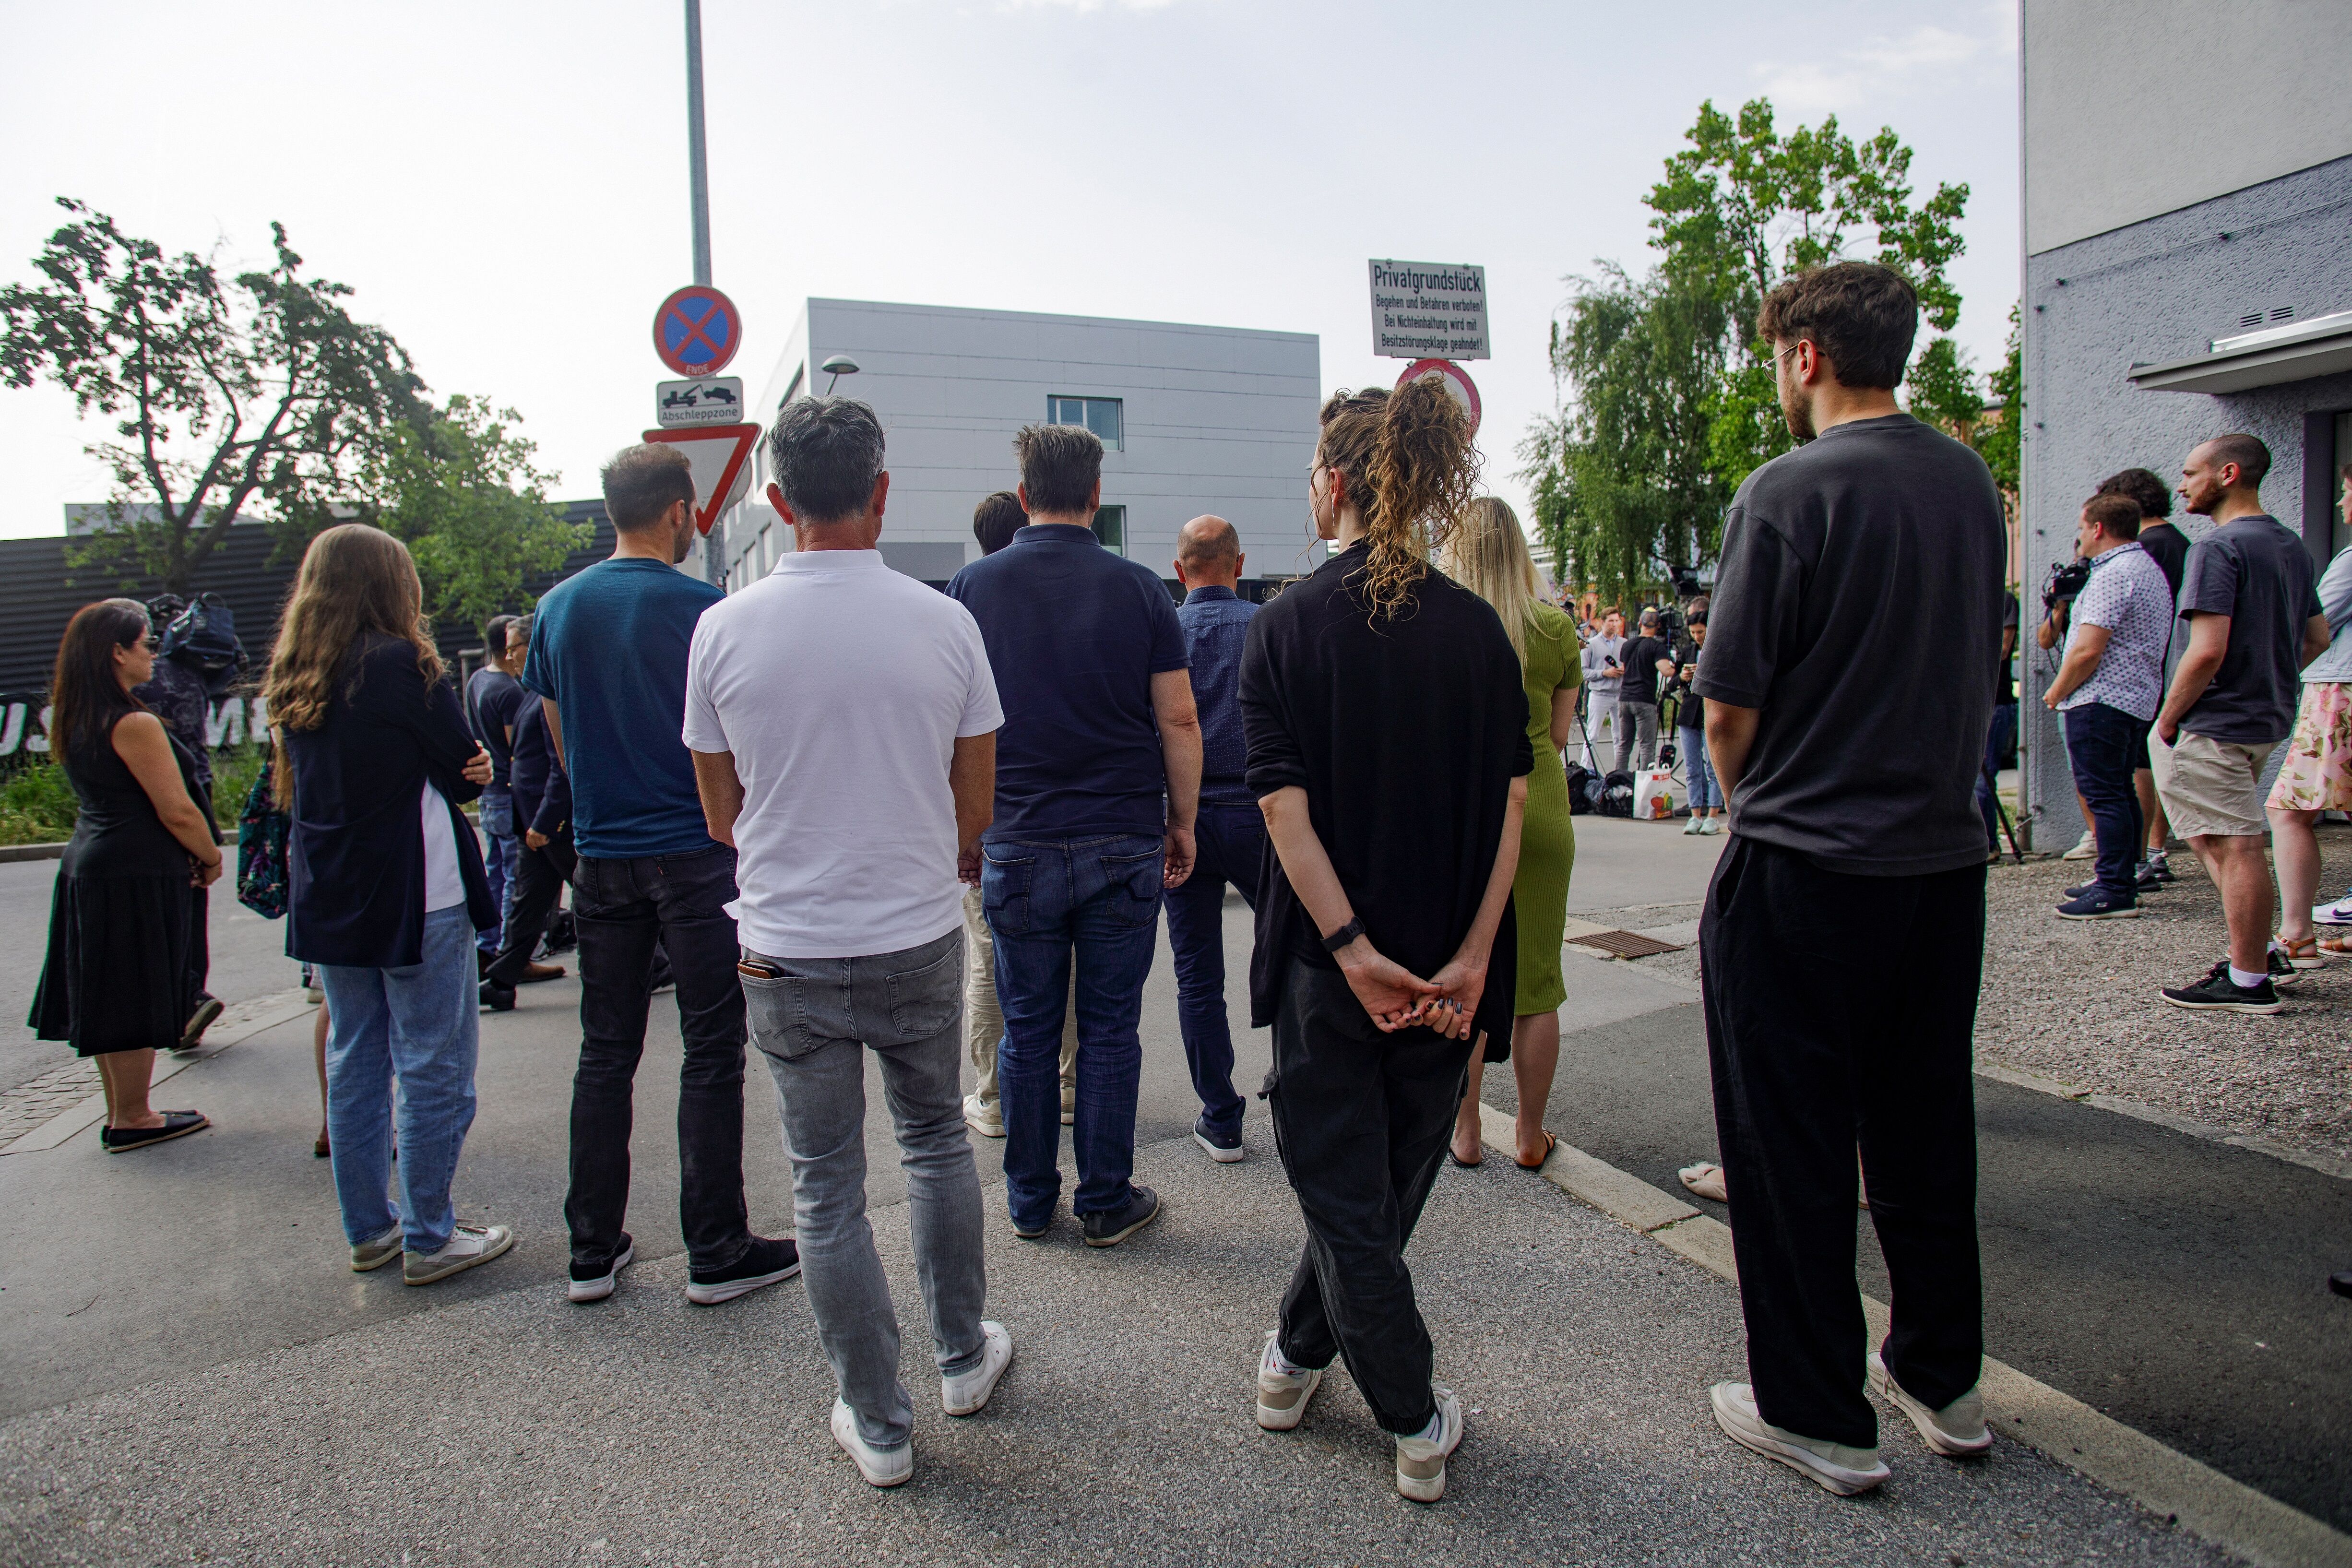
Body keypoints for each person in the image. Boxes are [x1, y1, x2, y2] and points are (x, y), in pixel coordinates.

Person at [1696, 261, 2003, 1496]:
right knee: (1926, 1123)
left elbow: (1728, 706)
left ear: (1806, 354)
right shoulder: (1969, 481)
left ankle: (1817, 1410)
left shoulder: (1786, 490)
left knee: (1789, 1140)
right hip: (1940, 860)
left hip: (1805, 862)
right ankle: (1942, 1373)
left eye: (1778, 355)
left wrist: (1758, 795)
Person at [687, 398, 1011, 1489]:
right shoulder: (944, 622)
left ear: (777, 503)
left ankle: (877, 1421)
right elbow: (978, 806)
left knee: (824, 1183)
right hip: (915, 926)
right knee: (931, 1141)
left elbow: (721, 814)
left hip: (780, 942)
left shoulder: (722, 629)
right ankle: (963, 1355)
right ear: (881, 492)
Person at [1242, 378, 1529, 1504]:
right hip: (1449, 967)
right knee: (1378, 1190)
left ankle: (1405, 1408)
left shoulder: (1285, 623)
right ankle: (1298, 1353)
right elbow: (1512, 804)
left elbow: (1281, 808)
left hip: (1333, 963)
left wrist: (1354, 948)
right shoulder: (1480, 633)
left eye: (1313, 474)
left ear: (1338, 483)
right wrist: (1468, 952)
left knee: (1345, 1190)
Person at [523, 443, 798, 1306]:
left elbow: (558, 735)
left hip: (600, 857)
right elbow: (736, 735)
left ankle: (590, 1250)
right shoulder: (701, 607)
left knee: (604, 1051)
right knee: (711, 1050)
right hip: (696, 854)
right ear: (680, 510)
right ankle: (715, 1246)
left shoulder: (556, 610)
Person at [946, 424, 1201, 1247]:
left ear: (1023, 494)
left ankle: (1026, 1202)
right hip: (1122, 836)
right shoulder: (1139, 589)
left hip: (1015, 840)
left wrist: (967, 828)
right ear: (1095, 495)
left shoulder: (971, 587)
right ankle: (1103, 1199)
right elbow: (1179, 715)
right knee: (1108, 1028)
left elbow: (952, 725)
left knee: (1026, 1027)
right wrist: (1183, 820)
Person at [266, 525, 511, 1283]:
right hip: (418, 888)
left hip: (331, 891)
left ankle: (371, 1229)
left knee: (355, 1061)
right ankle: (432, 1236)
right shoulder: (403, 662)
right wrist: (474, 765)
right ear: (389, 584)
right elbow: (465, 767)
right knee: (435, 1064)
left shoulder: (295, 672)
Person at [29, 599, 221, 1152]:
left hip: (89, 861)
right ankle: (135, 1117)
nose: (153, 655)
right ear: (117, 651)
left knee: (108, 991)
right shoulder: (134, 723)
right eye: (145, 644)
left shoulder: (74, 713)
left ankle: (123, 1109)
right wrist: (210, 857)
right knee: (136, 990)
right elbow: (177, 808)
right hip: (134, 869)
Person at [2150, 435, 2329, 1012]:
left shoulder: (2219, 549)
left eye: (2189, 472)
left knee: (2236, 847)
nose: (2181, 486)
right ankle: (2252, 952)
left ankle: (2249, 978)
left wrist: (2168, 718)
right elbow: (2316, 638)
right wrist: (2269, 676)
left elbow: (2205, 650)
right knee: (2214, 838)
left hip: (2214, 719)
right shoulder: (2290, 546)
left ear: (2226, 474)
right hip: (2264, 716)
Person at [1440, 496, 1576, 1172]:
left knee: (1472, 971)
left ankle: (1465, 1134)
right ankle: (1528, 1134)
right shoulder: (1554, 627)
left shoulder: (1449, 624)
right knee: (1538, 983)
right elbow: (1555, 735)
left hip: (1472, 806)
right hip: (1544, 802)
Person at [957, 489, 1078, 1140]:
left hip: (995, 818)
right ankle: (1064, 1087)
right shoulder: (1066, 598)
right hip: (1074, 812)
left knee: (987, 958)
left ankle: (994, 1098)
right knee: (1068, 962)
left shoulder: (967, 602)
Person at [1166, 514, 1262, 1164]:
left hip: (1186, 817)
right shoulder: (1266, 627)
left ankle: (1220, 1116)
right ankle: (1303, 1099)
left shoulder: (1164, 631)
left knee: (1197, 976)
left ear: (1180, 570)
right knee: (1293, 961)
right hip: (1263, 817)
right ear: (1239, 563)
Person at [2042, 493, 2175, 920]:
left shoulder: (2114, 574)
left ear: (2098, 529)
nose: (2080, 537)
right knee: (2120, 792)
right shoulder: (2146, 569)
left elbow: (2086, 651)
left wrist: (2055, 692)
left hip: (2101, 699)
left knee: (2105, 795)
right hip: (2133, 699)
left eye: (2082, 528)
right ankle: (2124, 875)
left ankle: (2113, 890)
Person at [132, 593, 227, 1047]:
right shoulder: (193, 675)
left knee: (160, 904)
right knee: (193, 900)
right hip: (198, 786)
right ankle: (191, 992)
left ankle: (182, 1000)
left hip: (153, 791)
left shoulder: (138, 683)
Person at [2269, 467, 2352, 968]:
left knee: (2289, 810)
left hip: (2341, 691)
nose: (2342, 503)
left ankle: (2297, 935)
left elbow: (2313, 624)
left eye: (2347, 491)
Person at [2096, 467, 2191, 881]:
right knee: (2149, 758)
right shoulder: (2180, 543)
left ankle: (2145, 856)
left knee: (2138, 765)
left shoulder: (2147, 550)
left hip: (2145, 675)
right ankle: (2152, 851)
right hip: (2170, 668)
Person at [481, 616, 573, 1009]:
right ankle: (502, 979)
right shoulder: (531, 693)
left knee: (591, 897)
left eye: (514, 646)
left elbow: (559, 765)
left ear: (532, 647)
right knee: (527, 903)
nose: (508, 656)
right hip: (533, 824)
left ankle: (656, 962)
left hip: (546, 824)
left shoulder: (547, 695)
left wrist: (544, 822)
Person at [465, 613, 527, 966]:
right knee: (513, 876)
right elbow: (515, 745)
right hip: (508, 790)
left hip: (489, 794)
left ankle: (487, 941)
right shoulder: (509, 692)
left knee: (494, 871)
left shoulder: (477, 681)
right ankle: (508, 949)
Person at [1975, 590, 2020, 859]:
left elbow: (2003, 651)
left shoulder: (2003, 600)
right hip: (1965, 702)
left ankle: (1989, 845)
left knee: (1982, 779)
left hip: (1995, 703)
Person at [1672, 611, 1724, 835]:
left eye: (1700, 632)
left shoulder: (1719, 648)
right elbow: (1672, 680)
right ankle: (1695, 815)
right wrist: (1683, 676)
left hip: (1711, 712)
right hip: (1689, 713)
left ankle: (1713, 815)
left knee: (1714, 767)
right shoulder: (1688, 650)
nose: (1697, 637)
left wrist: (1702, 673)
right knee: (1692, 768)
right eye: (1693, 633)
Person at [1613, 608, 1675, 773]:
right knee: (1647, 745)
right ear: (1658, 626)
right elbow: (1666, 671)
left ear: (1640, 623)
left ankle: (1620, 781)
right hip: (1644, 700)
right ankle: (1644, 782)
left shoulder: (1627, 645)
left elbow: (1625, 669)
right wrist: (1679, 669)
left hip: (1625, 699)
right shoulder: (1657, 647)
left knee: (1624, 745)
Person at [1581, 610, 1624, 761]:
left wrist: (1625, 670)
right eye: (1611, 621)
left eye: (1617, 621)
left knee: (1620, 736)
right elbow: (1583, 672)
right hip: (1600, 694)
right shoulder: (1591, 645)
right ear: (1602, 622)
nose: (1615, 624)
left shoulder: (1624, 644)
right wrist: (1604, 673)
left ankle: (1619, 770)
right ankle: (1587, 769)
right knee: (1592, 735)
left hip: (1620, 694)